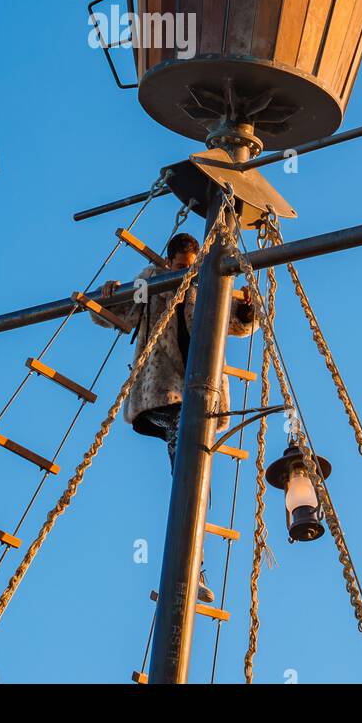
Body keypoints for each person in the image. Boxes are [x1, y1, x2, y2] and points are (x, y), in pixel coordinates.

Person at [91, 231, 256, 603]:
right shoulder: (152, 283)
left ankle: (192, 560)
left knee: (191, 457)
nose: (185, 271)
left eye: (190, 266)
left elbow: (239, 324)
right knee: (186, 449)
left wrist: (246, 305)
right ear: (168, 262)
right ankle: (189, 560)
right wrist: (110, 295)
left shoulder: (205, 284)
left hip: (198, 389)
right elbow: (121, 314)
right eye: (180, 266)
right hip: (161, 389)